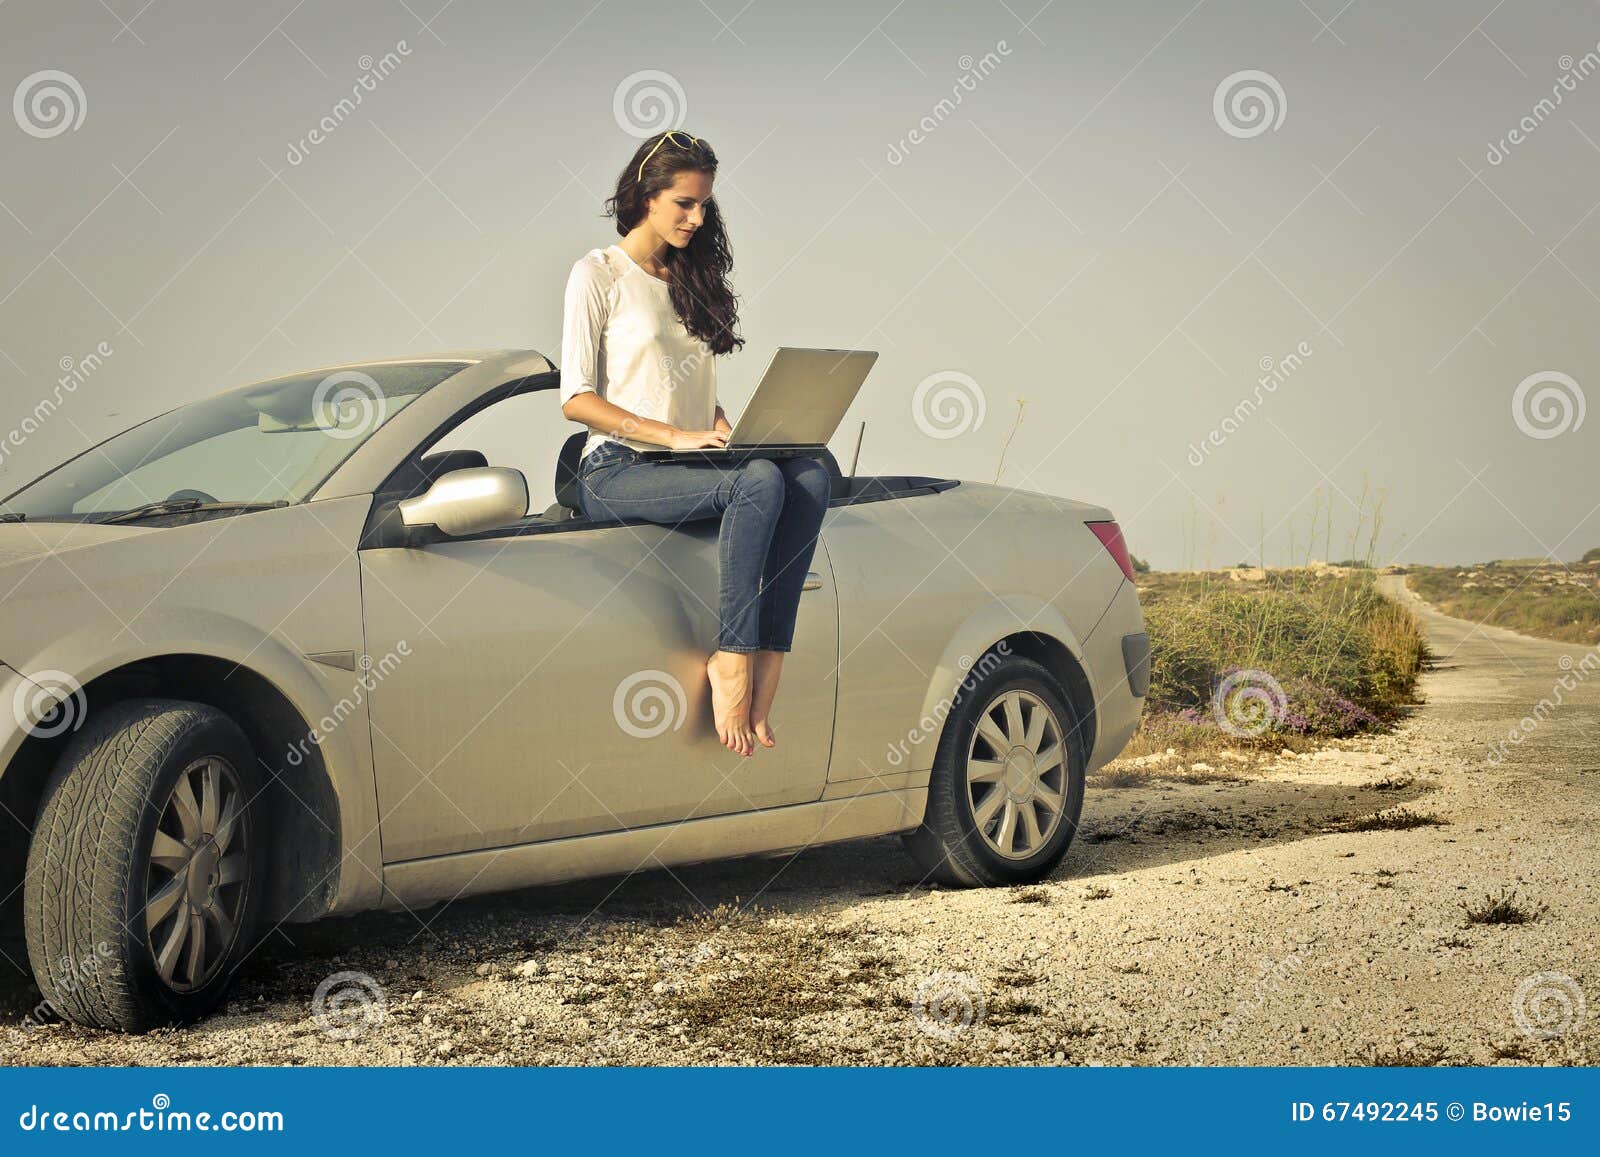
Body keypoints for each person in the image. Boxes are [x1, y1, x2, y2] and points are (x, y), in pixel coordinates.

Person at [560, 130, 830, 759]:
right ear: (645, 196)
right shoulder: (597, 274)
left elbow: (686, 393)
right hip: (616, 468)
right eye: (684, 202)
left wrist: (725, 431)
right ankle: (731, 657)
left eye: (705, 204)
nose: (697, 217)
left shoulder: (688, 278)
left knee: (812, 472)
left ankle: (770, 654)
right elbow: (577, 399)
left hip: (690, 457)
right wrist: (677, 437)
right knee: (759, 482)